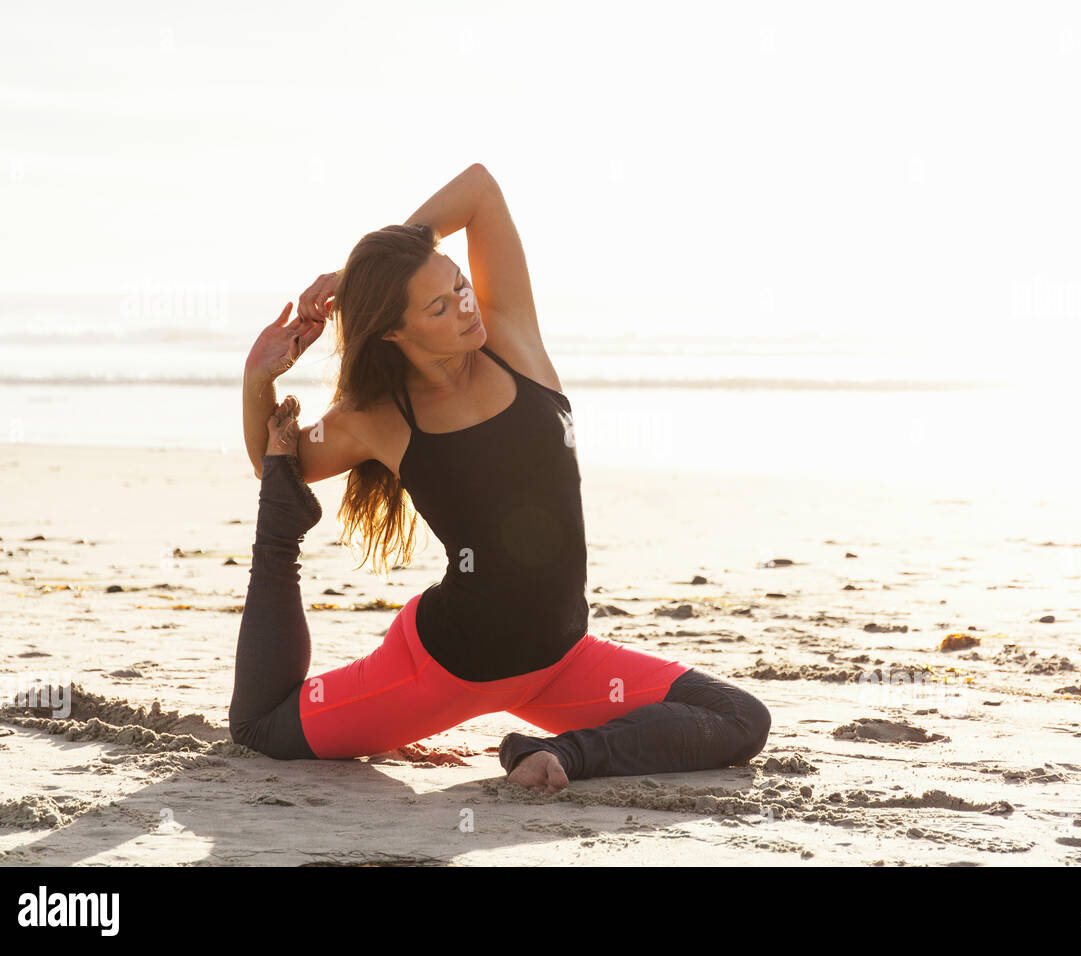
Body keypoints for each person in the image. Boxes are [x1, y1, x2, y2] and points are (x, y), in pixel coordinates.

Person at [230, 163, 770, 793]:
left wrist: (362, 273)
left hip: (562, 662)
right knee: (262, 729)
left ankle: (556, 755)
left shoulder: (511, 337)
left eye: (458, 285)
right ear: (394, 331)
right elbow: (275, 466)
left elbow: (480, 189)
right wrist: (257, 382)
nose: (464, 306)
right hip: (442, 672)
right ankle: (279, 549)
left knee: (740, 719)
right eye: (439, 305)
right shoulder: (376, 417)